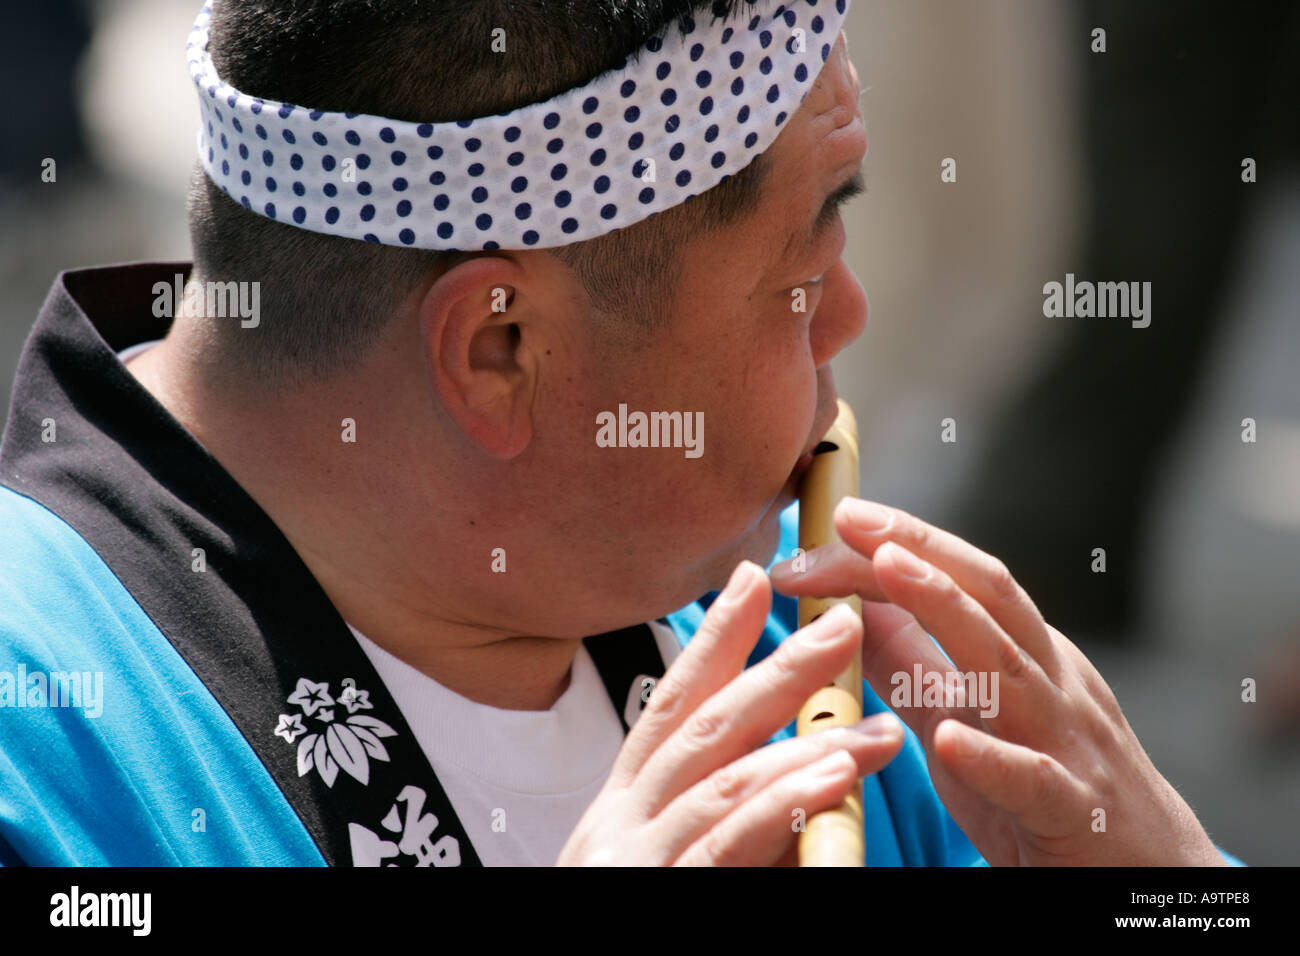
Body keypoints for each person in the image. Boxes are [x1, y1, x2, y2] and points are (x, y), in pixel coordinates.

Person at [0, 0, 1241, 866]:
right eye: (806, 252)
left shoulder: (813, 674)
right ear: (501, 347)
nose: (849, 313)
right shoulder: (42, 748)